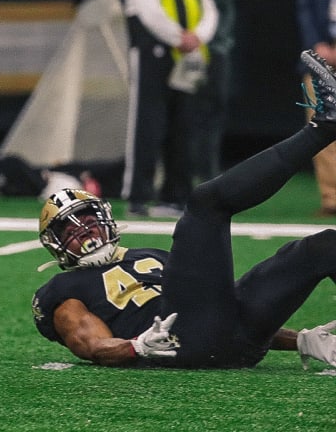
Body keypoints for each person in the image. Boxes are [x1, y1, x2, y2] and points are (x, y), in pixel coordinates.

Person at [31, 49, 336, 370]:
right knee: (206, 204)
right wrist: (137, 346)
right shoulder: (63, 292)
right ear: (56, 246)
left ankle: (327, 124)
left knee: (321, 247)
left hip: (239, 340)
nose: (85, 230)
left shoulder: (148, 256)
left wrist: (298, 339)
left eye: (88, 220)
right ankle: (324, 126)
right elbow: (91, 343)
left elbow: (217, 309)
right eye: (70, 229)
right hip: (180, 346)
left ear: (106, 218)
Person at [121, 0, 218, 218]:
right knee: (148, 127)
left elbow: (209, 9)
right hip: (154, 57)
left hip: (187, 59)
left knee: (183, 128)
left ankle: (175, 196)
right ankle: (139, 196)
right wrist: (180, 37)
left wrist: (197, 37)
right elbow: (150, 13)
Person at [181, 0, 241, 184]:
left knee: (211, 112)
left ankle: (205, 173)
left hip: (214, 43)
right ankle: (203, 175)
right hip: (204, 46)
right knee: (202, 113)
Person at [296, 0, 336, 216]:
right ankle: (331, 197)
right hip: (322, 53)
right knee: (321, 125)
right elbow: (305, 5)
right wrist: (318, 46)